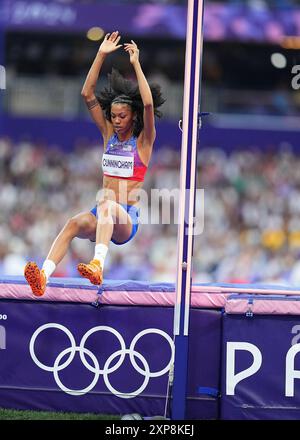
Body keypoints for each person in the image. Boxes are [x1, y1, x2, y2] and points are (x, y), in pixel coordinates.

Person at [24, 31, 165, 297]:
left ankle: (98, 264)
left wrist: (136, 64)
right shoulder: (108, 135)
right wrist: (100, 55)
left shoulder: (144, 142)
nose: (117, 120)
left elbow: (147, 103)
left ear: (132, 116)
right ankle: (43, 276)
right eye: (113, 115)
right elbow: (86, 92)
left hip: (125, 219)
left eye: (122, 116)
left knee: (108, 205)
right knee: (73, 223)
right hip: (103, 214)